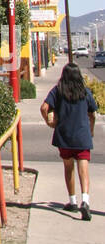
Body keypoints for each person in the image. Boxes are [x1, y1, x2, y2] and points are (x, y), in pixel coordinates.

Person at [40, 63, 97, 220]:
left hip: (64, 137)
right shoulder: (85, 92)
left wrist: (49, 123)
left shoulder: (58, 91)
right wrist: (91, 130)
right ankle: (85, 201)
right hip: (82, 136)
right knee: (83, 169)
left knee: (68, 168)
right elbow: (92, 113)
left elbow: (44, 108)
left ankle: (72, 201)